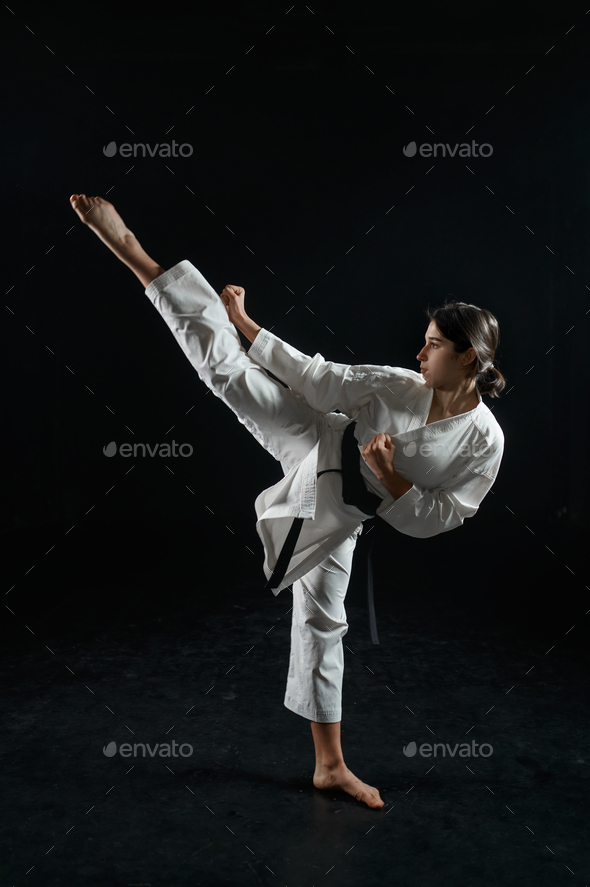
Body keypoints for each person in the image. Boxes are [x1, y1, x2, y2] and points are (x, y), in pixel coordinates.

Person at [69, 193, 506, 810]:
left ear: (466, 357)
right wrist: (247, 327)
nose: (419, 352)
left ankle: (330, 767)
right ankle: (131, 250)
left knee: (323, 622)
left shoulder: (484, 441)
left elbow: (445, 516)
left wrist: (393, 478)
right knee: (228, 373)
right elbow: (323, 380)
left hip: (340, 512)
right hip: (317, 440)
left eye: (432, 345)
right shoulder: (400, 384)